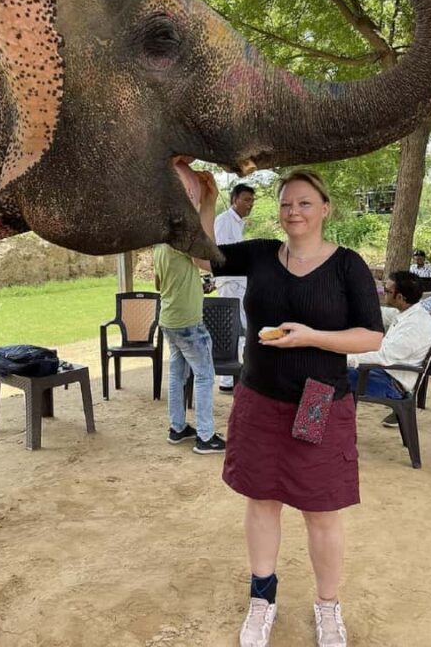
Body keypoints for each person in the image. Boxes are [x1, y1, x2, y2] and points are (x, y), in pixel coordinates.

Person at [196, 168, 383, 647]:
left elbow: (371, 335)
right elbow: (202, 256)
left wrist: (312, 336)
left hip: (318, 399)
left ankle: (327, 608)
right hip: (259, 397)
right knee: (262, 500)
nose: (293, 211)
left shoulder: (347, 265)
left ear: (324, 208)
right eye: (285, 204)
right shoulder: (260, 254)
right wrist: (207, 199)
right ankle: (262, 599)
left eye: (303, 202)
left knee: (320, 510)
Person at [153, 164, 226, 456]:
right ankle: (205, 436)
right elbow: (208, 259)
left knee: (178, 373)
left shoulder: (159, 239)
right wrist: (209, 203)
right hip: (187, 322)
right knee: (206, 375)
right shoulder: (182, 235)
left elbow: (160, 281)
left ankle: (178, 427)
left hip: (169, 318)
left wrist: (193, 284)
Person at [347, 271, 431, 427]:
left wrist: (346, 358)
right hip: (383, 373)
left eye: (387, 291)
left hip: (391, 384)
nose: (383, 294)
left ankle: (310, 429)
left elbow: (384, 357)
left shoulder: (415, 326)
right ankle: (317, 429)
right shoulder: (409, 313)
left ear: (400, 297)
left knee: (325, 374)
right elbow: (381, 313)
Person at [214, 183, 255, 392]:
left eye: (252, 200)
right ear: (234, 200)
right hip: (230, 283)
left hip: (240, 283)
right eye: (246, 199)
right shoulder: (223, 221)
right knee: (235, 329)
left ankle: (235, 376)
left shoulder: (238, 223)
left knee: (242, 328)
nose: (250, 204)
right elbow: (222, 253)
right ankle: (228, 380)